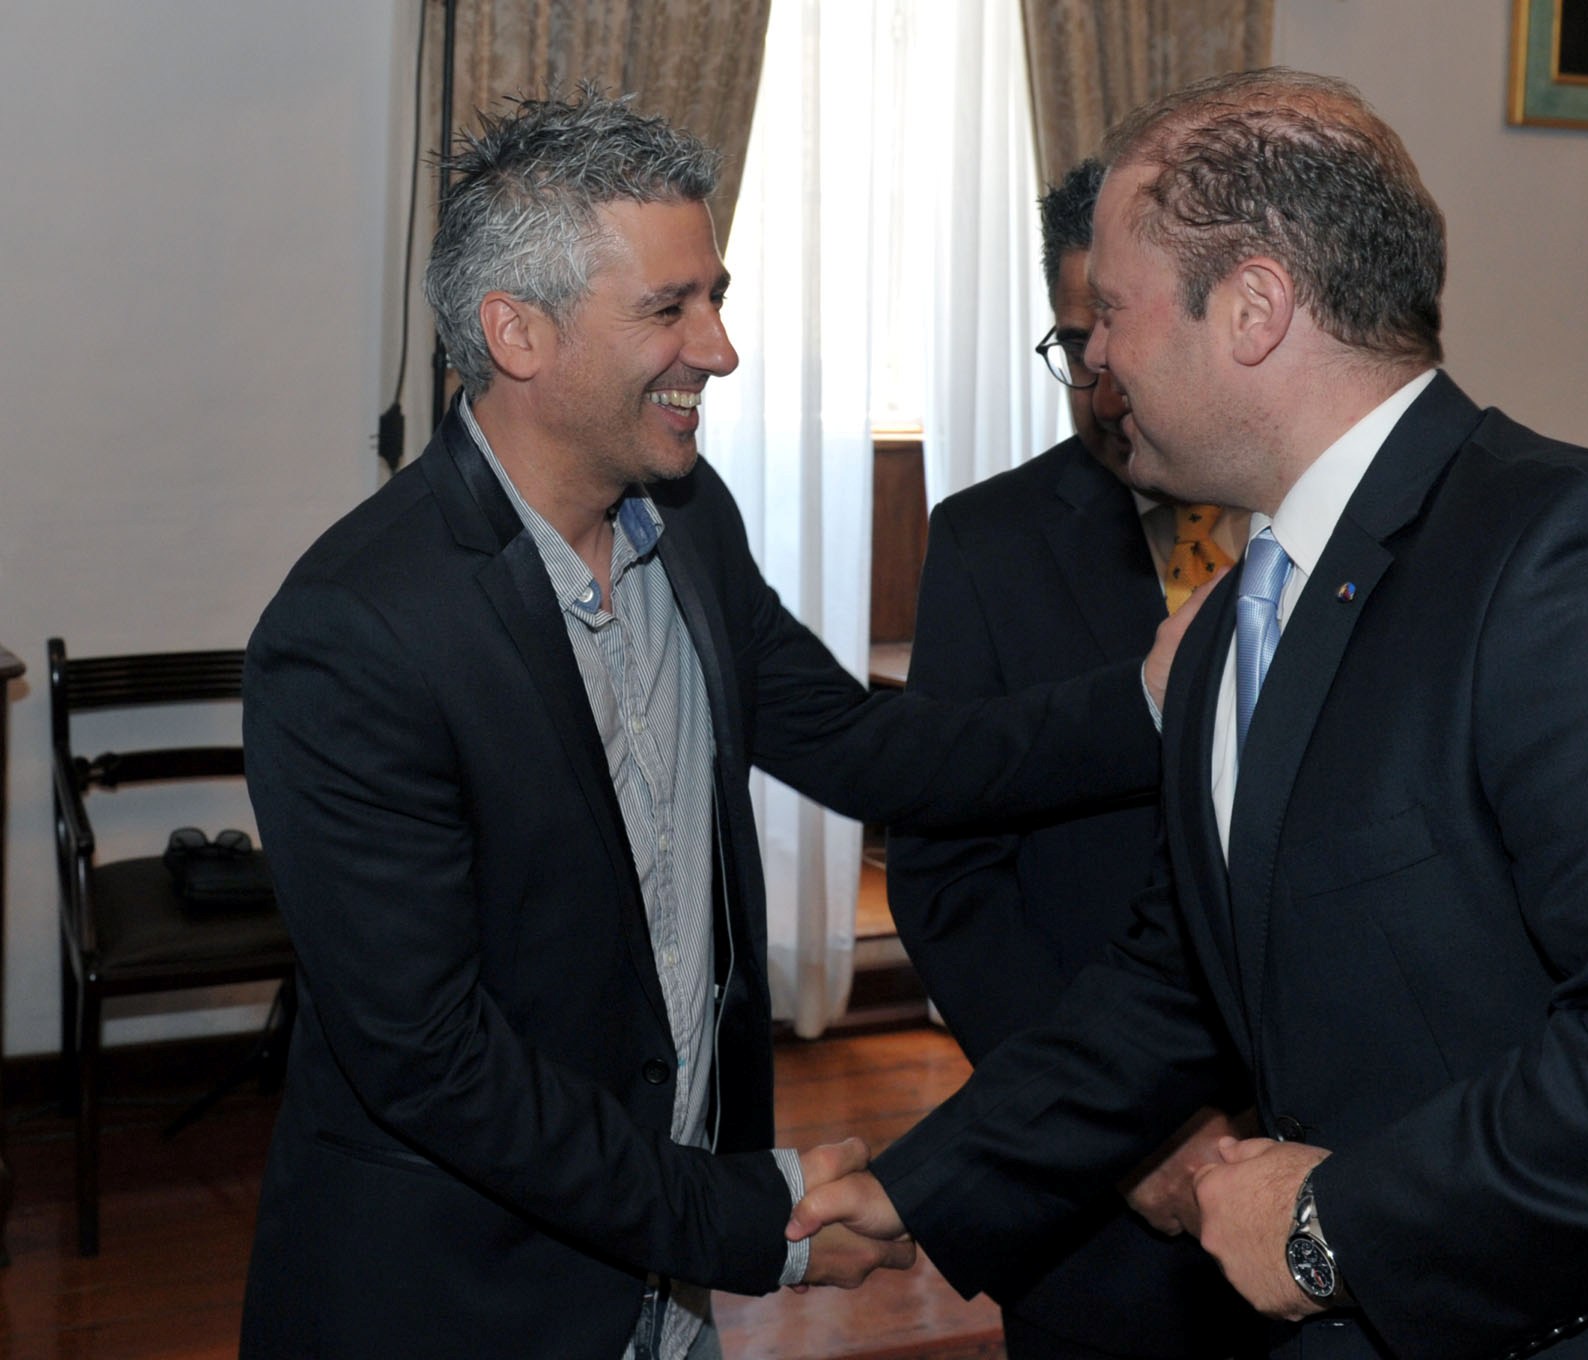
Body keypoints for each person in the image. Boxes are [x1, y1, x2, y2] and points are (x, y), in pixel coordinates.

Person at [792, 69, 1588, 1358]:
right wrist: (919, 1188)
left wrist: (1332, 1223)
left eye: (1115, 312)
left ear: (1251, 309)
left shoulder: (1585, 556)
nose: (1094, 355)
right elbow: (1175, 979)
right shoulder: (1241, 616)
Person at [238, 89, 1180, 1360]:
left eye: (715, 298)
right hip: (461, 1300)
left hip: (659, 1293)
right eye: (668, 308)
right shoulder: (354, 633)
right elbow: (435, 1063)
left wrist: (1147, 699)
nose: (719, 349)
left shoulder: (686, 519)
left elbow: (870, 749)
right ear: (517, 332)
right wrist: (747, 1220)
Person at [885, 157, 1256, 1360]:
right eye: (1071, 340)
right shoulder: (988, 543)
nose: (1100, 377)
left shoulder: (1336, 520)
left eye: (1120, 335)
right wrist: (1112, 1128)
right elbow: (948, 879)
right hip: (1102, 1208)